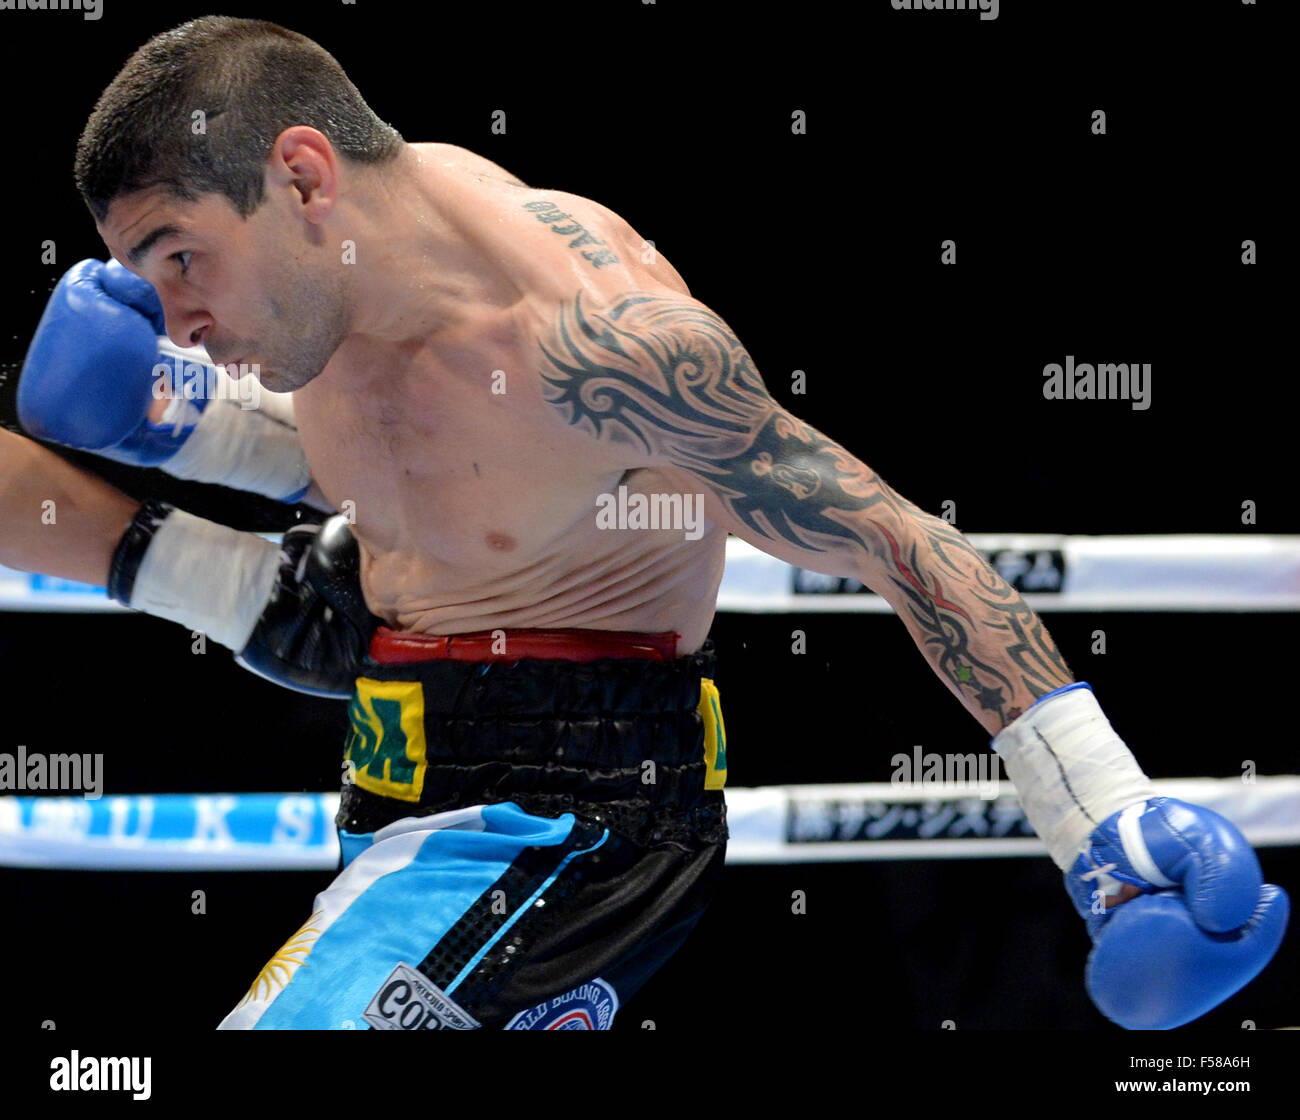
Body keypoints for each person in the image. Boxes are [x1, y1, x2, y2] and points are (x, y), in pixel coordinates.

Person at [10, 15, 1287, 1029]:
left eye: (180, 258)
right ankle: (220, 522)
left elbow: (899, 539)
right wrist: (172, 413)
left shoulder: (596, 349)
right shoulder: (336, 282)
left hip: (571, 805)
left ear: (302, 178)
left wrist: (1097, 816)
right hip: (391, 711)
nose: (174, 312)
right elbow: (406, 457)